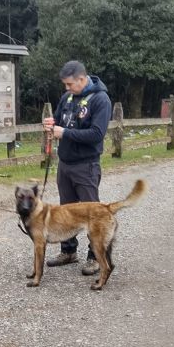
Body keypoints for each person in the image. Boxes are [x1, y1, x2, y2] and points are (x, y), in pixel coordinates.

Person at [42, 60, 112, 275]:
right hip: (65, 164)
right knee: (66, 211)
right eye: (65, 85)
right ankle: (69, 251)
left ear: (82, 79)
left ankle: (94, 256)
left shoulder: (101, 100)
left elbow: (96, 134)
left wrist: (64, 133)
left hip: (86, 165)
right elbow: (62, 121)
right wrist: (51, 125)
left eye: (70, 84)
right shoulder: (67, 97)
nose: (66, 88)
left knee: (92, 213)